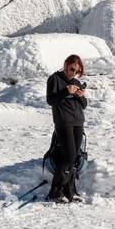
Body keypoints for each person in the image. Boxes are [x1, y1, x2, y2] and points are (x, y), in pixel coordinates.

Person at [45, 54, 87, 204]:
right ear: (65, 65)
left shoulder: (75, 82)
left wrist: (80, 96)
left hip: (78, 122)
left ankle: (70, 191)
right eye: (72, 69)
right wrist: (66, 91)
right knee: (69, 156)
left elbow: (84, 105)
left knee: (74, 158)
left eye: (77, 71)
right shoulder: (54, 79)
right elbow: (51, 100)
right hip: (63, 122)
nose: (73, 73)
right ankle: (55, 192)